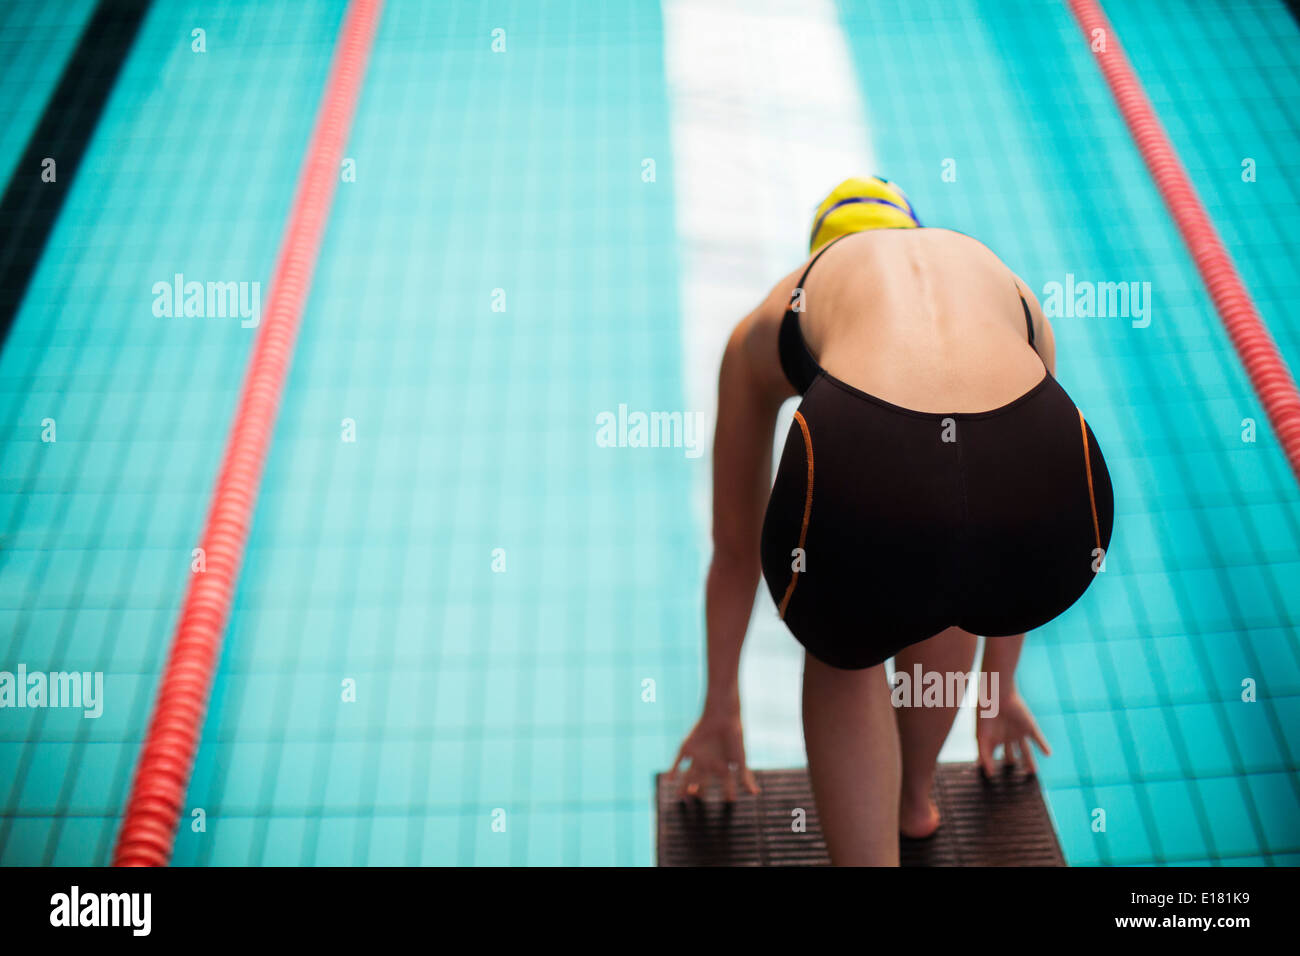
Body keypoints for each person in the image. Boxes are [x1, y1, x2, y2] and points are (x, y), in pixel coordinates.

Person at [669, 177, 1115, 866]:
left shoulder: (782, 307)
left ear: (820, 250)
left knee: (845, 644)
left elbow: (734, 550)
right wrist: (996, 690)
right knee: (953, 587)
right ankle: (915, 802)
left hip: (871, 455)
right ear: (913, 230)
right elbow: (1002, 505)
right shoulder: (998, 280)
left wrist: (720, 708)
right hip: (1061, 489)